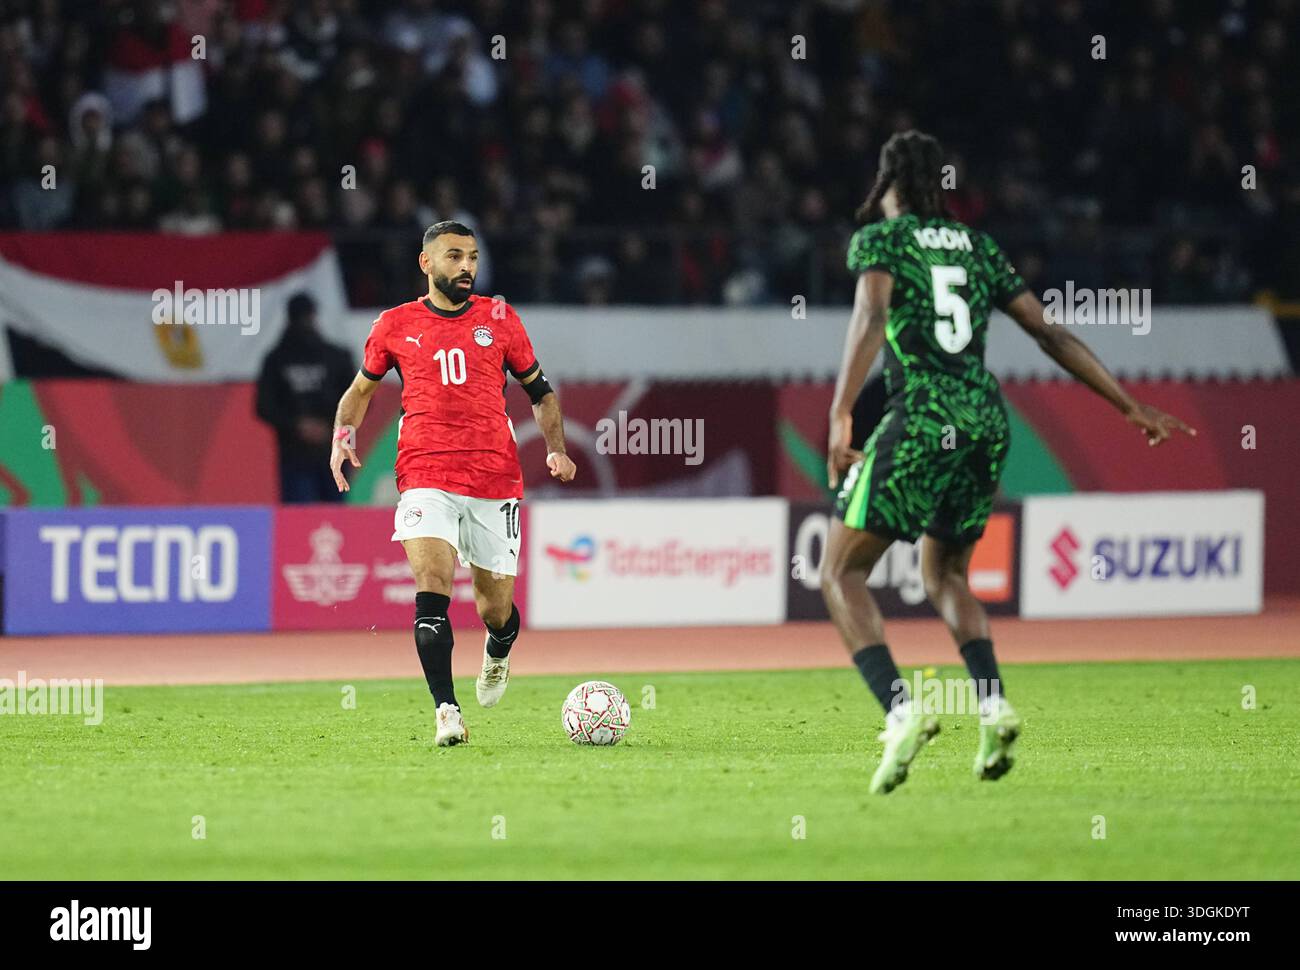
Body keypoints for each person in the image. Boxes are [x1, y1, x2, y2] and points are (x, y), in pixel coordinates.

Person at [823, 131, 1195, 794]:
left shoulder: (882, 241)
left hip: (924, 416)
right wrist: (1128, 405)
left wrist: (843, 410)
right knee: (946, 574)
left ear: (889, 186)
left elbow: (873, 312)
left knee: (840, 572)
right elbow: (1049, 333)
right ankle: (991, 704)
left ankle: (901, 714)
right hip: (986, 422)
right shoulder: (979, 246)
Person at [329, 221, 576, 746]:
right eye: (454, 256)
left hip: (494, 479)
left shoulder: (501, 319)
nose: (466, 266)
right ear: (426, 264)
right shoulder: (394, 325)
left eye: (472, 257)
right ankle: (447, 711)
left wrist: (555, 448)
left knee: (495, 608)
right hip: (424, 476)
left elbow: (542, 392)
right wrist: (342, 434)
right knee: (433, 585)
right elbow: (360, 391)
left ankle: (499, 647)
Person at [255, 292, 356, 503]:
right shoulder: (277, 360)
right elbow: (264, 406)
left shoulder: (336, 357)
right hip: (296, 454)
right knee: (302, 517)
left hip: (335, 448)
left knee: (333, 520)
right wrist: (297, 425)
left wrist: (328, 426)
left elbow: (359, 400)